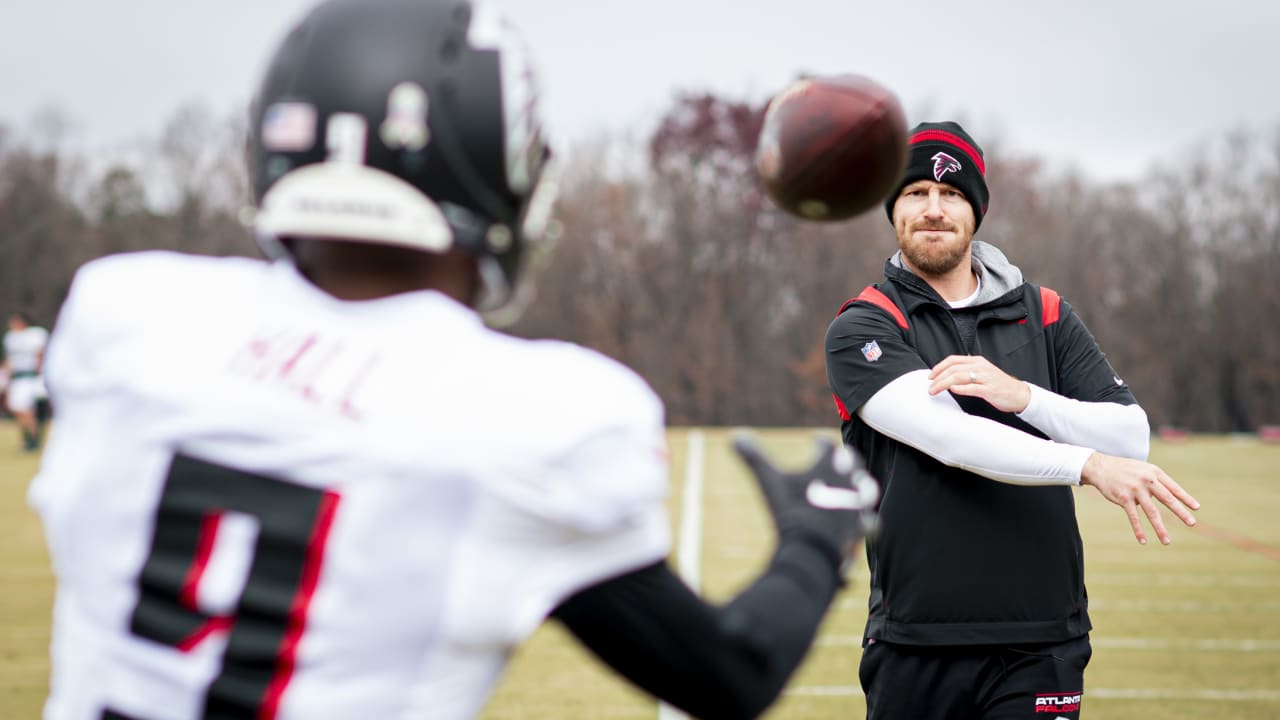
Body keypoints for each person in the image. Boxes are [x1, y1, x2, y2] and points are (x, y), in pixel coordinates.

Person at [29, 2, 879, 719]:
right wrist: (815, 535)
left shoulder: (127, 317)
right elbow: (727, 674)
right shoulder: (533, 417)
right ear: (500, 166)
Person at [824, 121, 1202, 720]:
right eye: (915, 192)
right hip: (917, 640)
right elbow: (952, 439)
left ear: (976, 210)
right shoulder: (865, 324)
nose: (933, 209)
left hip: (1043, 640)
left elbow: (1131, 435)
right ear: (892, 209)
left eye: (951, 194)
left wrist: (1025, 396)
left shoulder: (1045, 311)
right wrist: (1087, 464)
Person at [3, 311, 50, 452]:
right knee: (18, 408)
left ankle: (33, 439)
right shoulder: (10, 338)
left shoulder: (35, 335)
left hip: (33, 376)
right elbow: (9, 360)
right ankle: (30, 438)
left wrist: (40, 372)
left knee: (29, 409)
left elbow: (40, 354)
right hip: (18, 377)